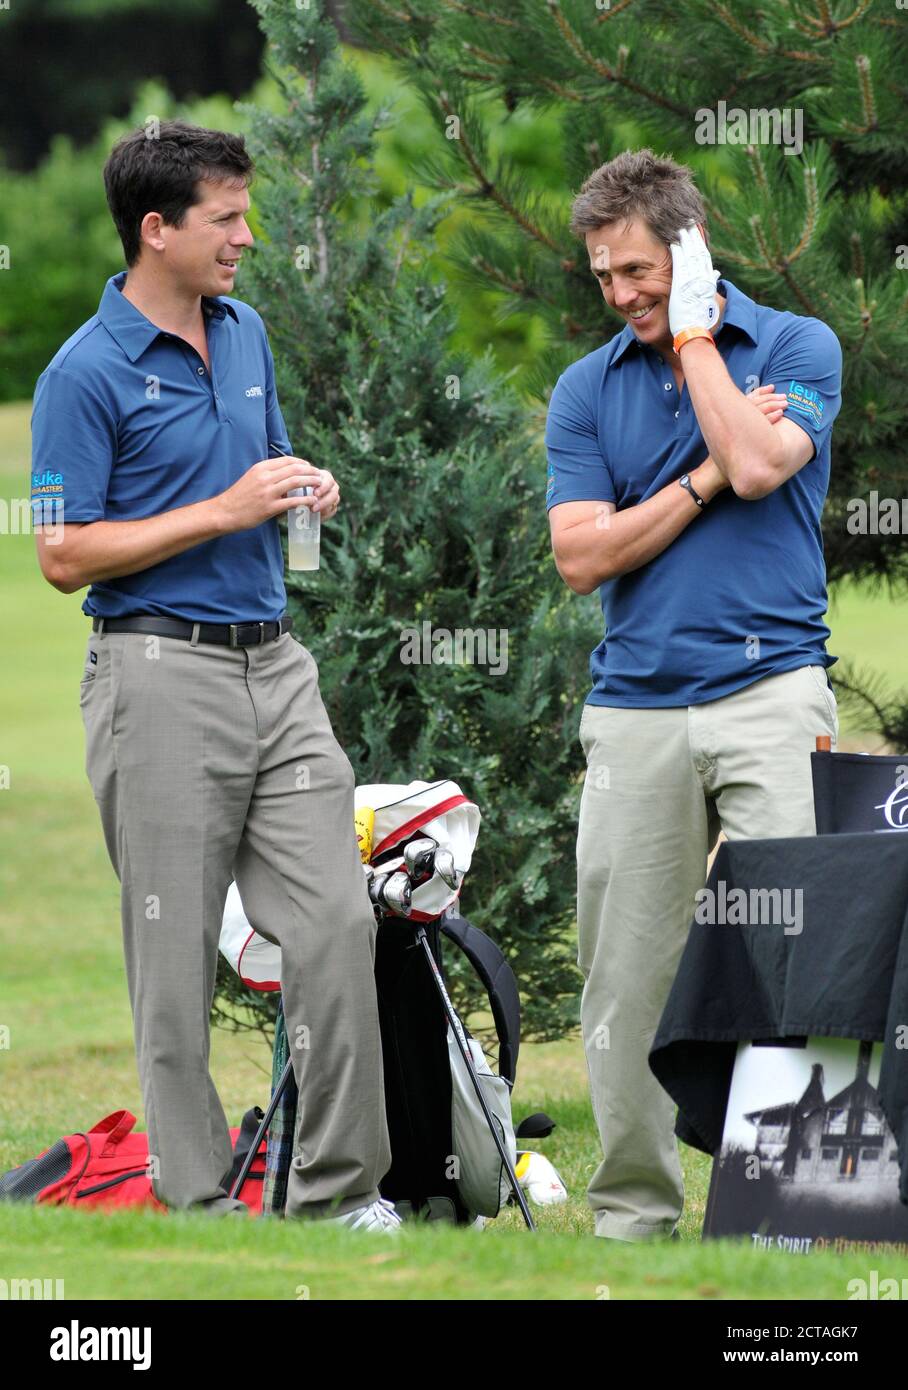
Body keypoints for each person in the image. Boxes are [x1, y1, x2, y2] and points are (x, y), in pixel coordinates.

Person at [30, 120, 398, 1232]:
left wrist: (301, 492)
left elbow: (263, 474)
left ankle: (340, 1194)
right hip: (156, 679)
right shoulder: (78, 375)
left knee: (337, 920)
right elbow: (58, 552)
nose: (247, 236)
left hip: (276, 668)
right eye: (225, 218)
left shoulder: (244, 334)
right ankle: (197, 1200)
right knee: (173, 951)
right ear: (157, 230)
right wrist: (222, 511)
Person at [545, 148, 842, 1242]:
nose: (618, 294)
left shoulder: (800, 345)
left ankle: (786, 1211)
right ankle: (630, 1216)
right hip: (633, 710)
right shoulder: (584, 390)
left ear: (684, 254)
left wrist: (692, 337)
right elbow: (581, 557)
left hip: (772, 694)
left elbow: (764, 465)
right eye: (602, 277)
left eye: (634, 271)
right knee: (624, 974)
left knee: (796, 955)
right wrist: (699, 477)